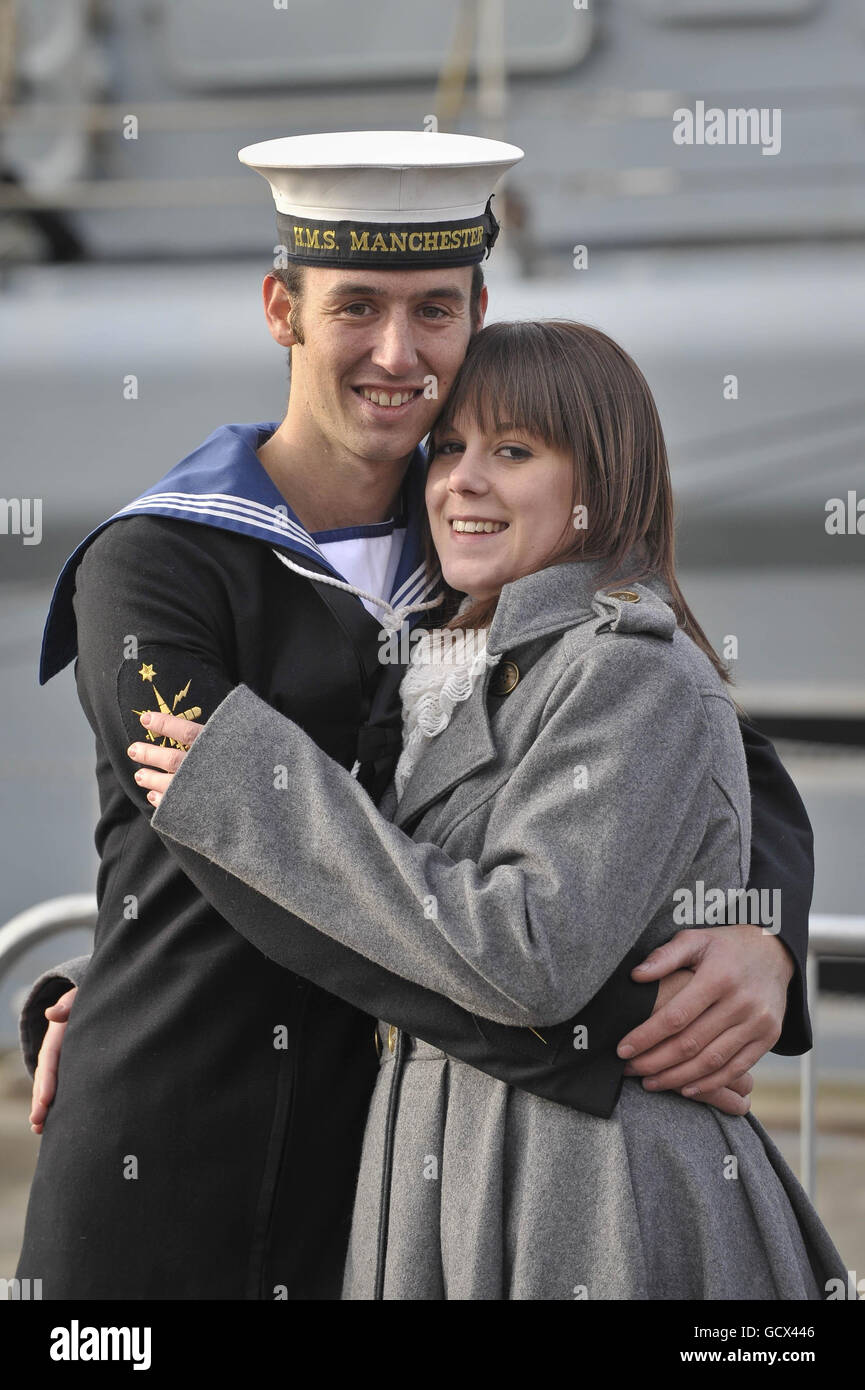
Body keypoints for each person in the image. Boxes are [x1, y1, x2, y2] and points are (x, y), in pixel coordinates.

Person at [18, 134, 811, 1301]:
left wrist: (760, 934)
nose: (397, 354)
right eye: (356, 309)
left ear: (478, 311)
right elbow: (263, 880)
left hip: (391, 1174)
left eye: (434, 310)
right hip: (177, 1148)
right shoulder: (154, 573)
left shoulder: (477, 560)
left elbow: (715, 744)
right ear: (281, 308)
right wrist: (615, 1034)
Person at [129, 319, 846, 1300]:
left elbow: (532, 952)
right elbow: (387, 904)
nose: (462, 480)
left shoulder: (626, 667)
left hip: (585, 1184)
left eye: (512, 451)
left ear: (602, 480)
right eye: (451, 448)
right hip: (454, 1159)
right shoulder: (449, 666)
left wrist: (268, 790)